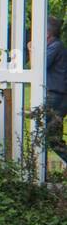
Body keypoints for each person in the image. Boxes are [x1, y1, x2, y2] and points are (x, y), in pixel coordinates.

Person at [46, 17, 67, 162]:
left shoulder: (55, 47)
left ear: (47, 34)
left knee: (52, 138)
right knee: (53, 138)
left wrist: (30, 49)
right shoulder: (56, 46)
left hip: (57, 97)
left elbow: (40, 66)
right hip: (58, 96)